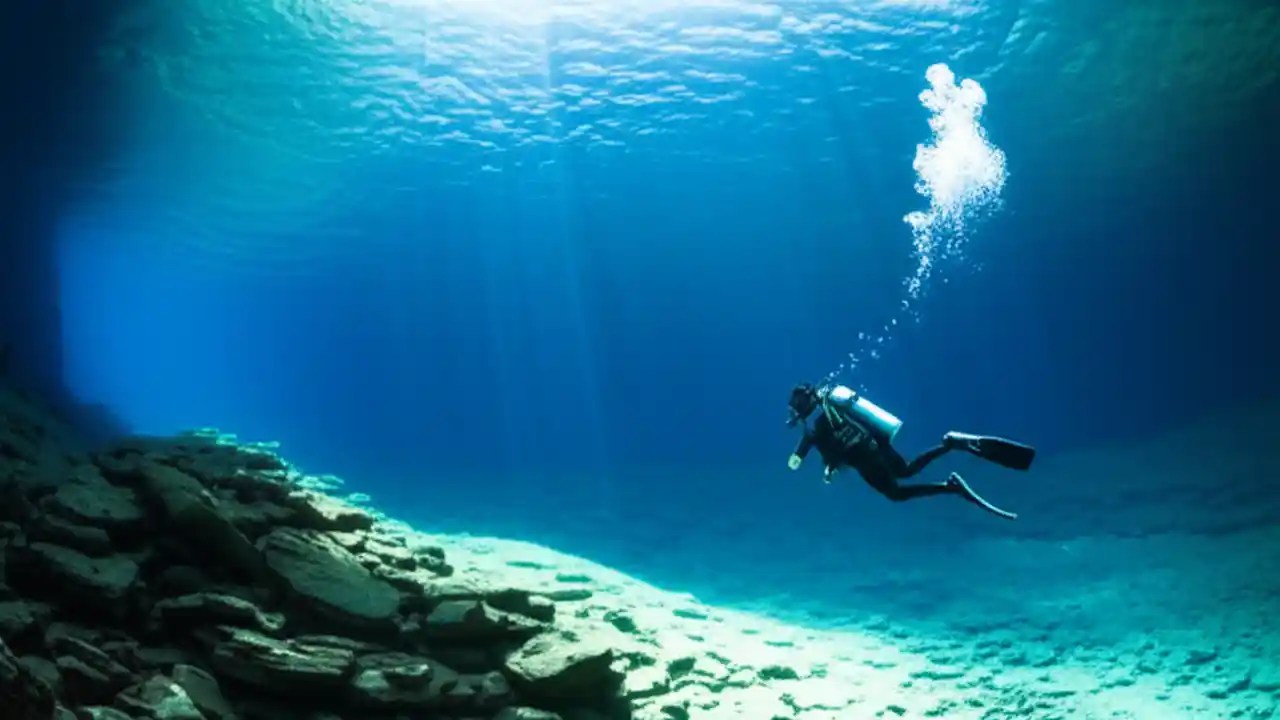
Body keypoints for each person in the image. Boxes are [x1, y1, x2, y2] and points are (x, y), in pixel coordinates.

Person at [785, 382, 1035, 520]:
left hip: (865, 460)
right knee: (906, 470)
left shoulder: (814, 429)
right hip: (876, 445)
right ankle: (949, 444)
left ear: (802, 406)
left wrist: (819, 467)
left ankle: (951, 486)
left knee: (896, 493)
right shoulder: (832, 404)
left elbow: (827, 453)